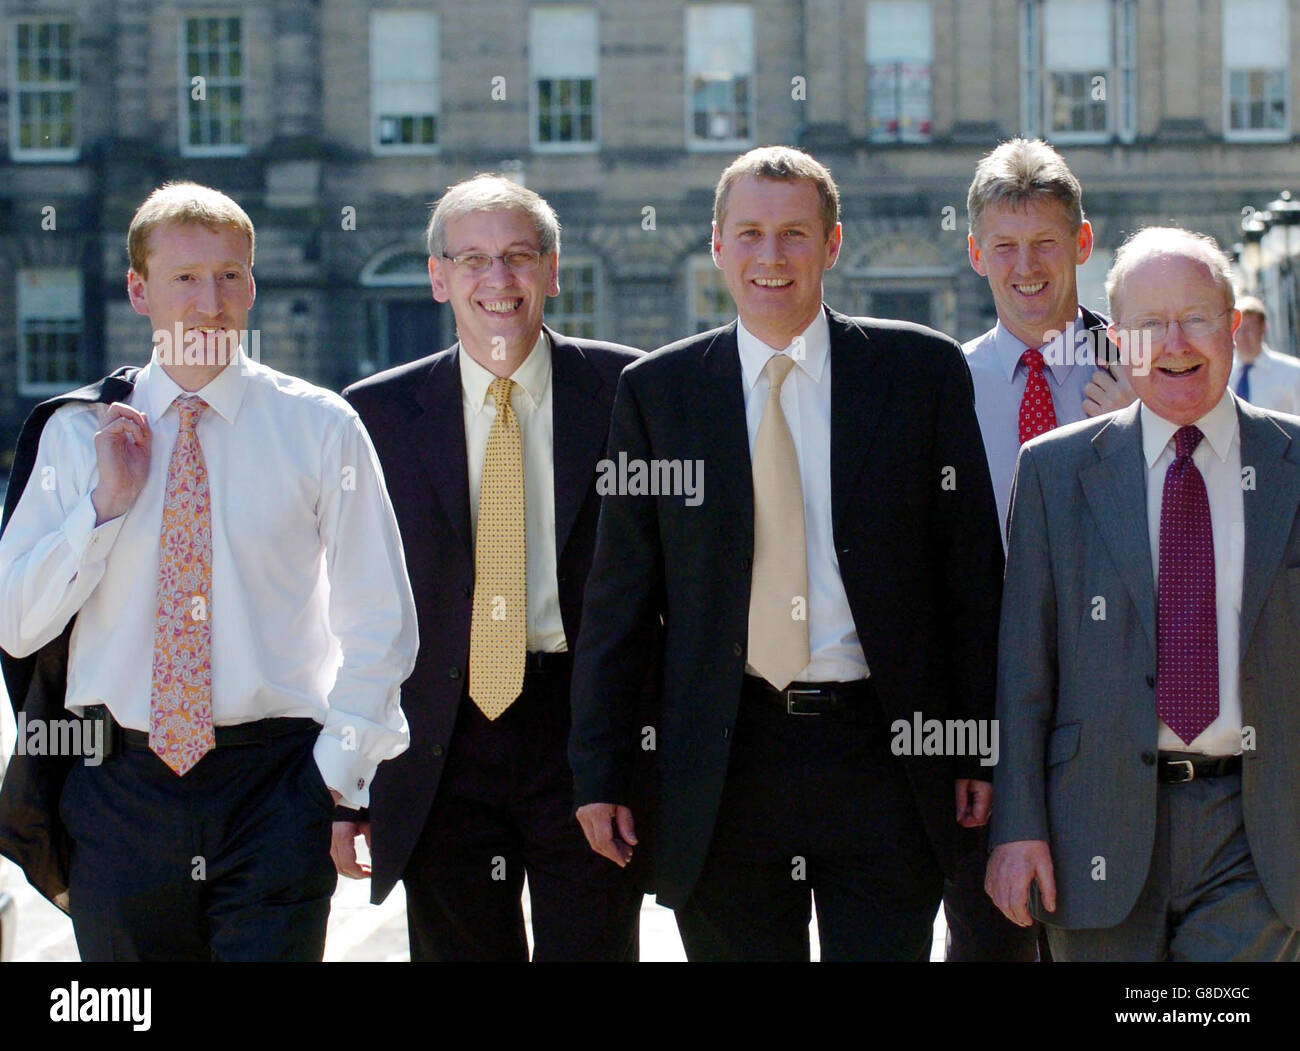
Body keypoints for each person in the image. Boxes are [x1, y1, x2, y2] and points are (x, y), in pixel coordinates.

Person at [569, 146, 1004, 961]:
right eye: (752, 233)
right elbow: (617, 600)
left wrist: (974, 742)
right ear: (718, 243)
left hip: (884, 754)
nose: (772, 257)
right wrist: (599, 772)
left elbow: (971, 578)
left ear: (832, 244)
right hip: (724, 761)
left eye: (795, 234)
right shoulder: (659, 392)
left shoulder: (919, 371)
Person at [0, 181, 416, 961]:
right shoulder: (76, 435)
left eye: (229, 275)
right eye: (184, 278)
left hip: (274, 787)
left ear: (252, 288)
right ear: (139, 291)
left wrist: (336, 775)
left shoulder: (321, 428)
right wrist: (101, 507)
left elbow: (381, 621)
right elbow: (16, 622)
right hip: (118, 787)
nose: (209, 300)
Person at [334, 175, 647, 961]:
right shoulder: (375, 413)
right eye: (472, 259)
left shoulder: (631, 391)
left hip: (584, 731)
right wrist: (350, 770)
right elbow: (347, 604)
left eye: (517, 256)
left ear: (552, 268)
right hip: (440, 741)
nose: (497, 280)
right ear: (438, 277)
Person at [986, 227, 1300, 961]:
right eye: (1148, 324)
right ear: (1117, 341)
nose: (1174, 342)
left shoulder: (1292, 462)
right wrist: (1018, 826)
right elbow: (1024, 669)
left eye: (1195, 317)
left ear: (1232, 326)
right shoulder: (1055, 472)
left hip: (1260, 832)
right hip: (1092, 825)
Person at [953, 137, 1136, 961]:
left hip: (1119, 712)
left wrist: (1150, 424)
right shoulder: (942, 387)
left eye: (1046, 245)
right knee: (988, 944)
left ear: (1083, 245)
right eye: (1005, 247)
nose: (1025, 267)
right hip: (985, 722)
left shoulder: (1145, 370)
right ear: (976, 253)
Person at [1228, 295, 1300, 413]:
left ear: (1263, 328)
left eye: (1249, 329)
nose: (1242, 337)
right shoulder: (1223, 375)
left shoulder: (1293, 373)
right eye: (1238, 329)